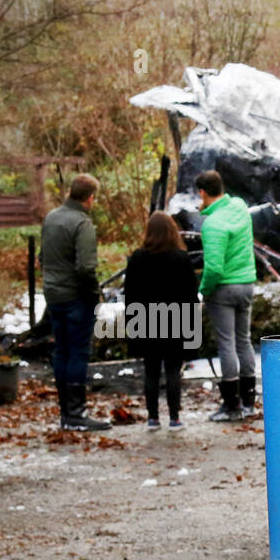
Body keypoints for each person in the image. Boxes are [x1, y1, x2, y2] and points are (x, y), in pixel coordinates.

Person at [40, 174, 110, 431]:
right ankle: (76, 414)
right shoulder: (82, 224)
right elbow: (85, 267)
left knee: (62, 351)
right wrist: (94, 294)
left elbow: (42, 257)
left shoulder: (51, 218)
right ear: (90, 197)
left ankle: (65, 412)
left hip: (53, 295)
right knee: (79, 351)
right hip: (76, 297)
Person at [124, 212, 199, 430]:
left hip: (146, 319)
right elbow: (190, 294)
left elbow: (129, 294)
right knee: (174, 370)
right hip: (176, 319)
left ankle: (152, 418)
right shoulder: (182, 258)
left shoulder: (137, 258)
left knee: (151, 370)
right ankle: (175, 417)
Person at [194, 170, 257, 421]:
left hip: (223, 289)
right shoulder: (240, 207)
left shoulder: (212, 225)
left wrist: (202, 291)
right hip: (247, 284)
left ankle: (232, 406)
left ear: (202, 193)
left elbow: (214, 269)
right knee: (244, 340)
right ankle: (249, 402)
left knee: (226, 343)